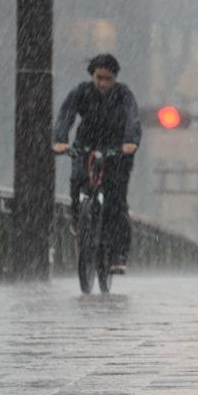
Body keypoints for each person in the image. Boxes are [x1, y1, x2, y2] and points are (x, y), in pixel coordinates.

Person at [53, 54, 141, 275]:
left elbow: (133, 118)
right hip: (86, 143)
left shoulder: (124, 95)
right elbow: (66, 115)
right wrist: (60, 139)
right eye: (99, 77)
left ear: (115, 78)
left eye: (108, 78)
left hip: (117, 149)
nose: (103, 83)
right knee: (77, 180)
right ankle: (78, 217)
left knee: (116, 199)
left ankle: (119, 254)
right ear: (92, 75)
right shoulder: (81, 92)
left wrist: (130, 141)